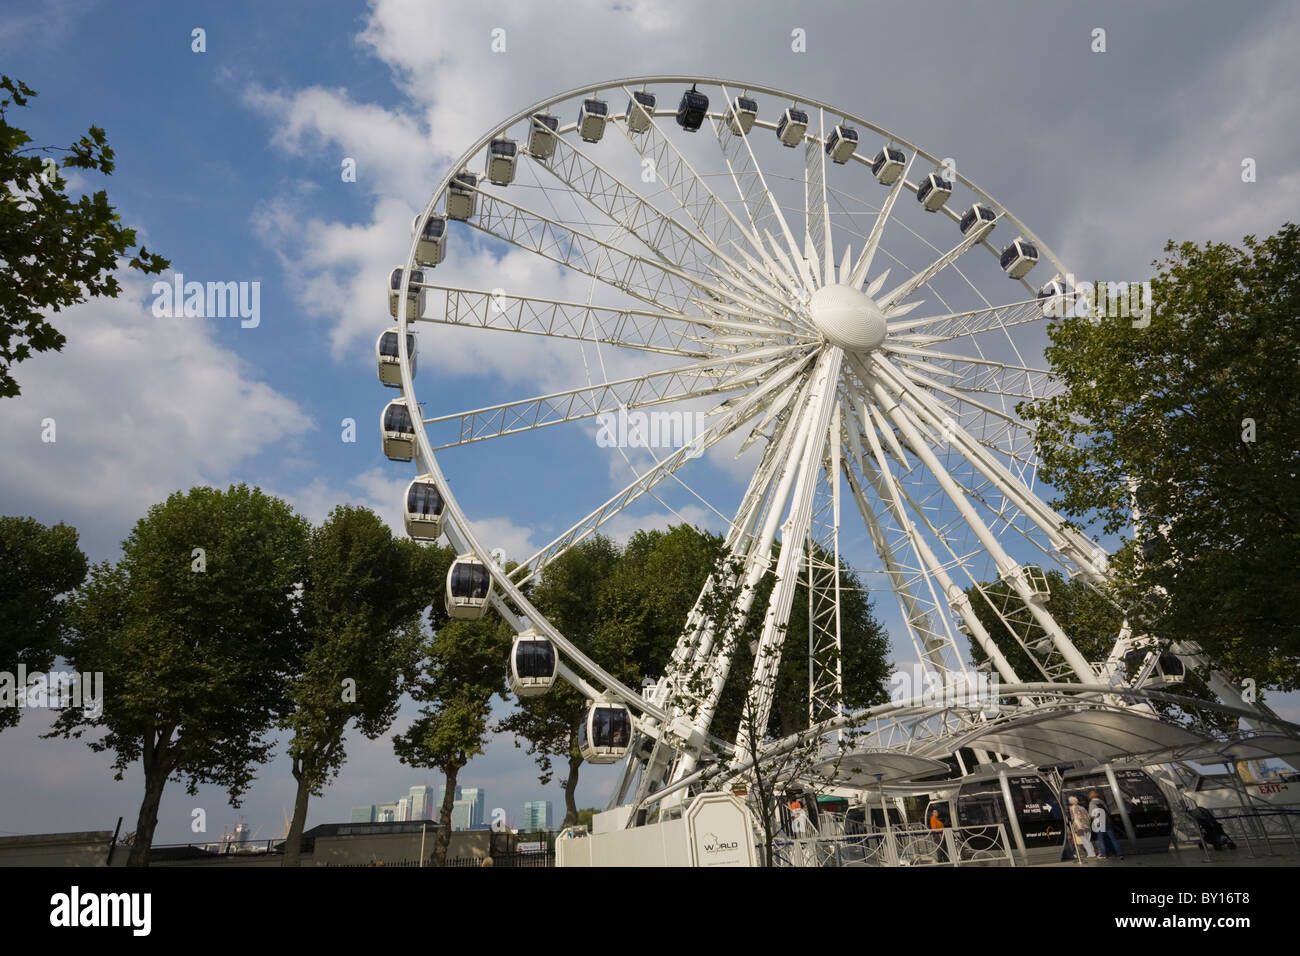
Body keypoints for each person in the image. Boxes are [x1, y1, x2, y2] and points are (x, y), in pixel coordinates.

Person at [1089, 791, 1124, 860]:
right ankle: (1119, 853)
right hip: (1107, 823)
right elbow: (1108, 811)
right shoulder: (1102, 802)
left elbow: (1092, 815)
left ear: (1090, 796)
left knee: (1101, 839)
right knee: (1113, 839)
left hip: (1099, 824)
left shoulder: (1092, 803)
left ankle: (1104, 854)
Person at [1067, 795, 1095, 860]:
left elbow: (1073, 818)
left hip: (1080, 827)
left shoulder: (1071, 808)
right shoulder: (1082, 807)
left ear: (1071, 802)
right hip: (1087, 826)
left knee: (1084, 840)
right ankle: (1092, 852)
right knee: (1088, 840)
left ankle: (1091, 854)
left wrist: (1077, 827)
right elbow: (1088, 816)